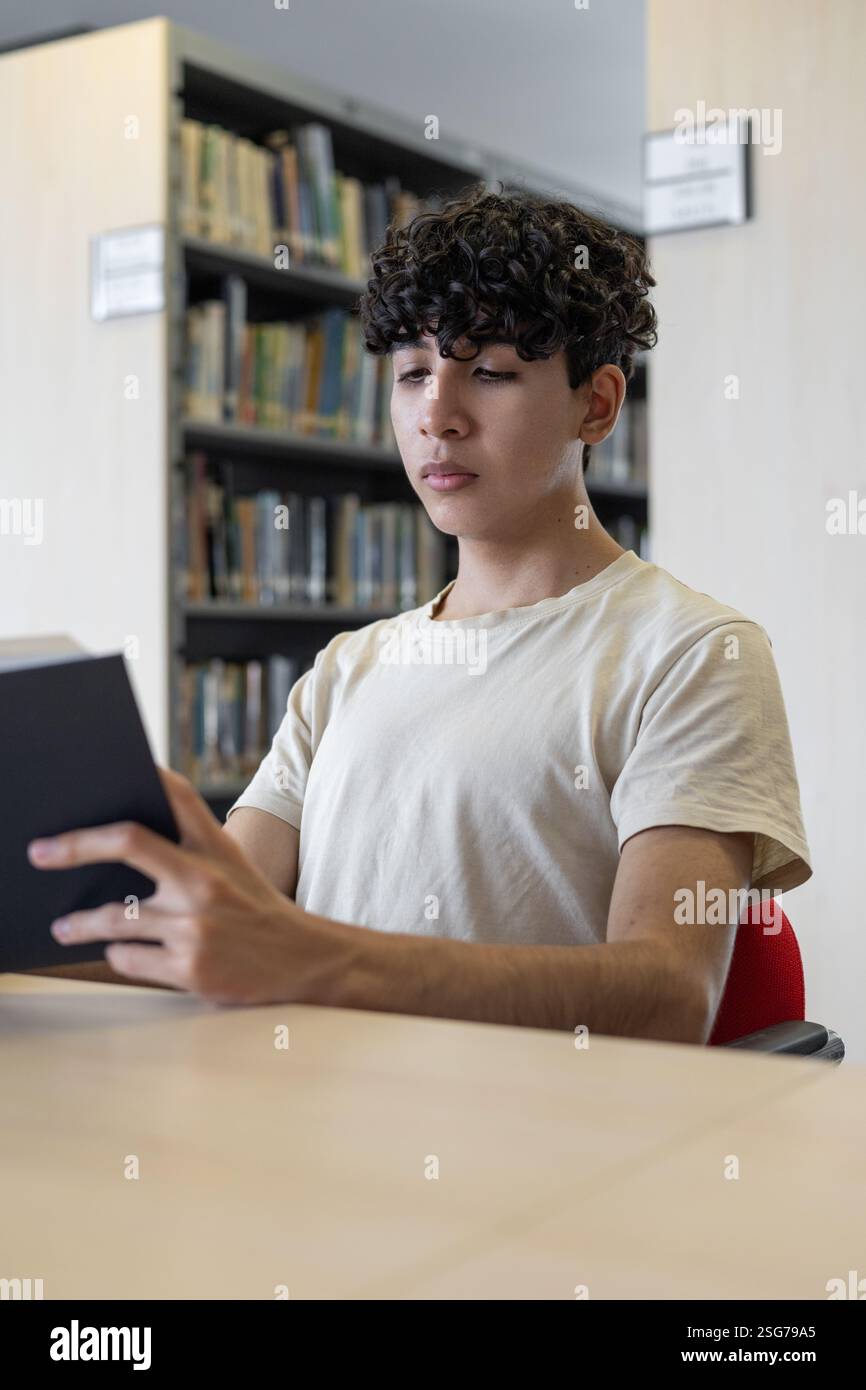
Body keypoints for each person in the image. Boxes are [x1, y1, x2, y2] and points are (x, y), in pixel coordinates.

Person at [30, 185, 811, 1043]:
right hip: (302, 1121)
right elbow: (212, 935)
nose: (437, 417)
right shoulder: (345, 670)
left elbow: (667, 994)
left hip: (540, 1150)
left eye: (490, 373)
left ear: (597, 403)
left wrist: (315, 960)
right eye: (411, 376)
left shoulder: (695, 654)